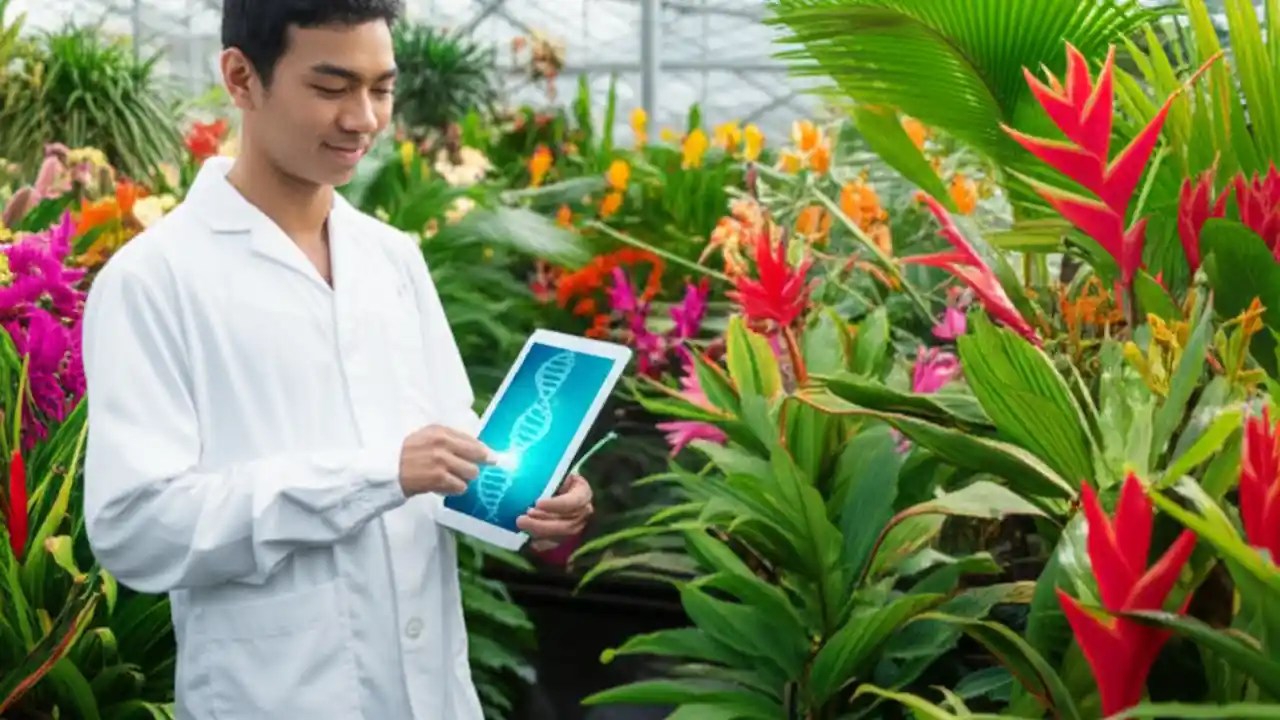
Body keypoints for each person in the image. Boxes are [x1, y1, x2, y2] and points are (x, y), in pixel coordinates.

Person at [79, 1, 594, 718]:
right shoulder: (154, 281)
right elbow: (137, 531)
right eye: (330, 88)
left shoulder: (393, 259)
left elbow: (448, 453)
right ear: (240, 77)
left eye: (381, 88)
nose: (364, 118)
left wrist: (526, 492)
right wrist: (375, 475)